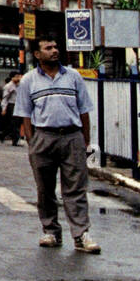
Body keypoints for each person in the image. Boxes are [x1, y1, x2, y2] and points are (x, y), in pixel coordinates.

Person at [15, 34, 100, 254]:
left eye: (55, 47)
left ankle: (81, 234)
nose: (54, 51)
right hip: (44, 138)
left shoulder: (73, 77)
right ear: (37, 54)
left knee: (75, 188)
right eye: (48, 47)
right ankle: (51, 230)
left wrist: (86, 141)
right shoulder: (29, 80)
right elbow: (25, 114)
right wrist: (32, 143)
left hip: (72, 137)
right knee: (45, 189)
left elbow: (84, 111)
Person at [0, 71, 22, 145]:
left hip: (19, 105)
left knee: (16, 123)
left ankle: (4, 134)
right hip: (11, 105)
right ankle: (15, 140)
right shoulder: (8, 86)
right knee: (14, 123)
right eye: (16, 77)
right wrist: (4, 109)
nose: (18, 78)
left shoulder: (20, 85)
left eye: (19, 76)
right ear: (12, 78)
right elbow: (5, 98)